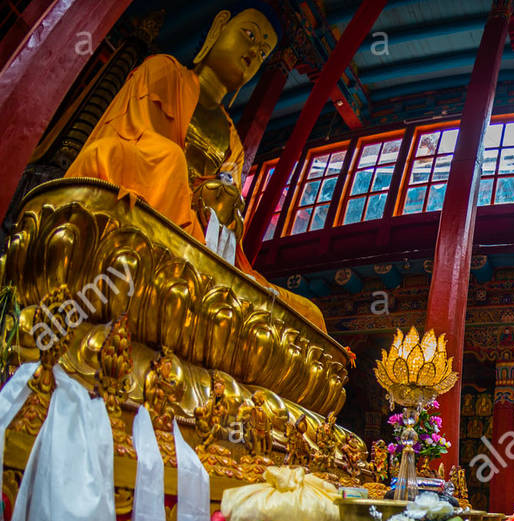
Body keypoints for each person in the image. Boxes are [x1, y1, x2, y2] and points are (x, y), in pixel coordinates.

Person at [65, 8, 326, 332]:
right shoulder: (162, 70)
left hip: (197, 240)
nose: (253, 53)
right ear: (219, 25)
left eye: (262, 52)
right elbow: (131, 142)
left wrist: (223, 204)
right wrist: (176, 174)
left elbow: (228, 222)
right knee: (166, 159)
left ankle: (194, 287)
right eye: (249, 35)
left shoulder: (233, 139)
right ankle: (176, 282)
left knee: (307, 316)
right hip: (138, 204)